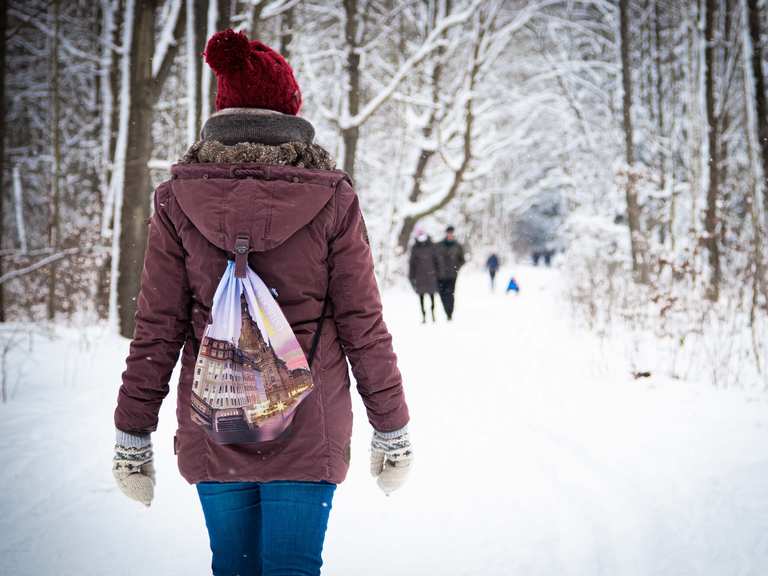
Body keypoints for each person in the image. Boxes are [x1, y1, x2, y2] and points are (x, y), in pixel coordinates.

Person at [112, 30, 412, 576]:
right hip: (309, 420)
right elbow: (363, 324)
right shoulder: (331, 197)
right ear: (290, 114)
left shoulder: (177, 198)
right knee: (293, 567)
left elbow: (156, 328)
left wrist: (133, 433)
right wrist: (390, 426)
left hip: (215, 420)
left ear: (221, 113)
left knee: (233, 566)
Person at [408, 228, 439, 323]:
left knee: (432, 297)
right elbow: (412, 263)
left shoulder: (432, 246)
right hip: (419, 276)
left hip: (431, 276)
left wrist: (438, 273)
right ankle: (424, 316)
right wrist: (411, 276)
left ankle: (433, 315)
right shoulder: (414, 247)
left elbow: (437, 261)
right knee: (421, 298)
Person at [435, 225, 465, 320]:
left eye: (451, 233)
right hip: (440, 275)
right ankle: (446, 310)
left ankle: (449, 312)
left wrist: (457, 267)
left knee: (450, 294)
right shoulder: (439, 245)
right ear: (446, 233)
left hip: (452, 275)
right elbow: (434, 259)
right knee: (442, 294)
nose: (450, 234)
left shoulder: (457, 246)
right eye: (448, 233)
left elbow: (462, 260)